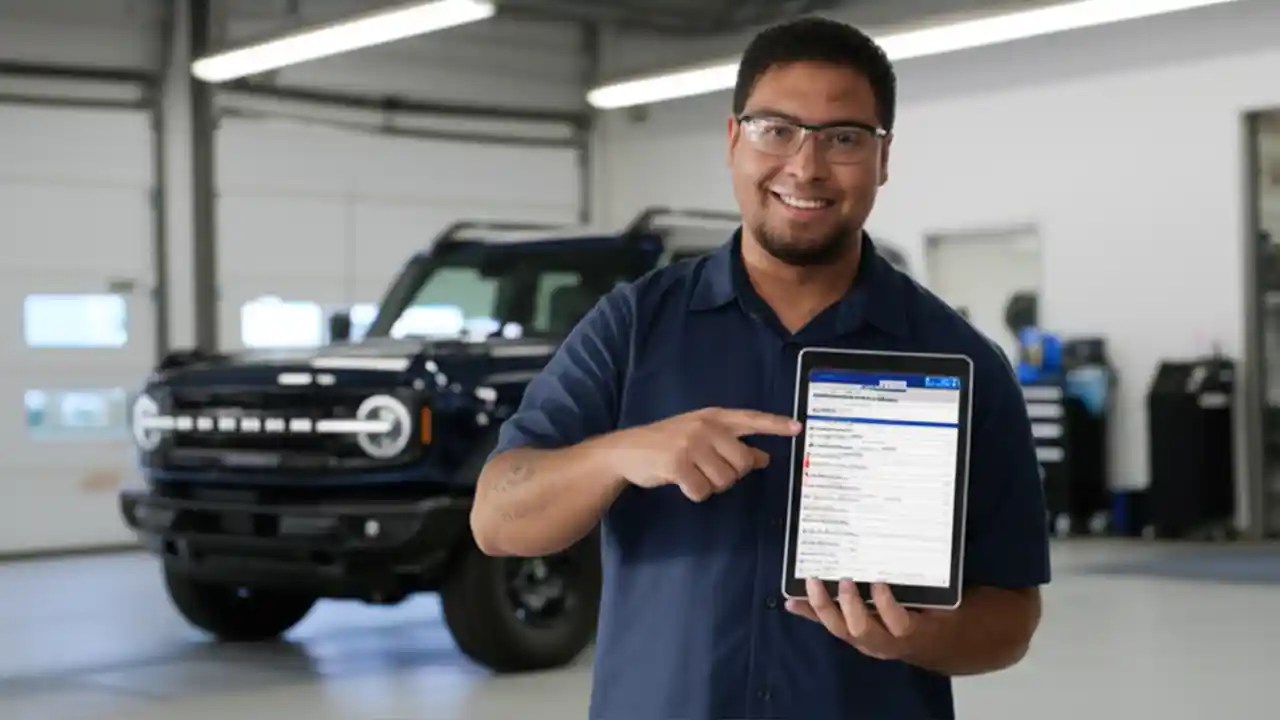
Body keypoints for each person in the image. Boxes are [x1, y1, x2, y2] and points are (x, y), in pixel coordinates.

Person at [470, 16, 1050, 720]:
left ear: (883, 157)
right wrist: (622, 453)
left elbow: (1012, 615)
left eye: (842, 138)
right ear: (733, 140)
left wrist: (923, 635)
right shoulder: (632, 328)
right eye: (776, 129)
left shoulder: (963, 362)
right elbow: (498, 519)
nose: (805, 168)